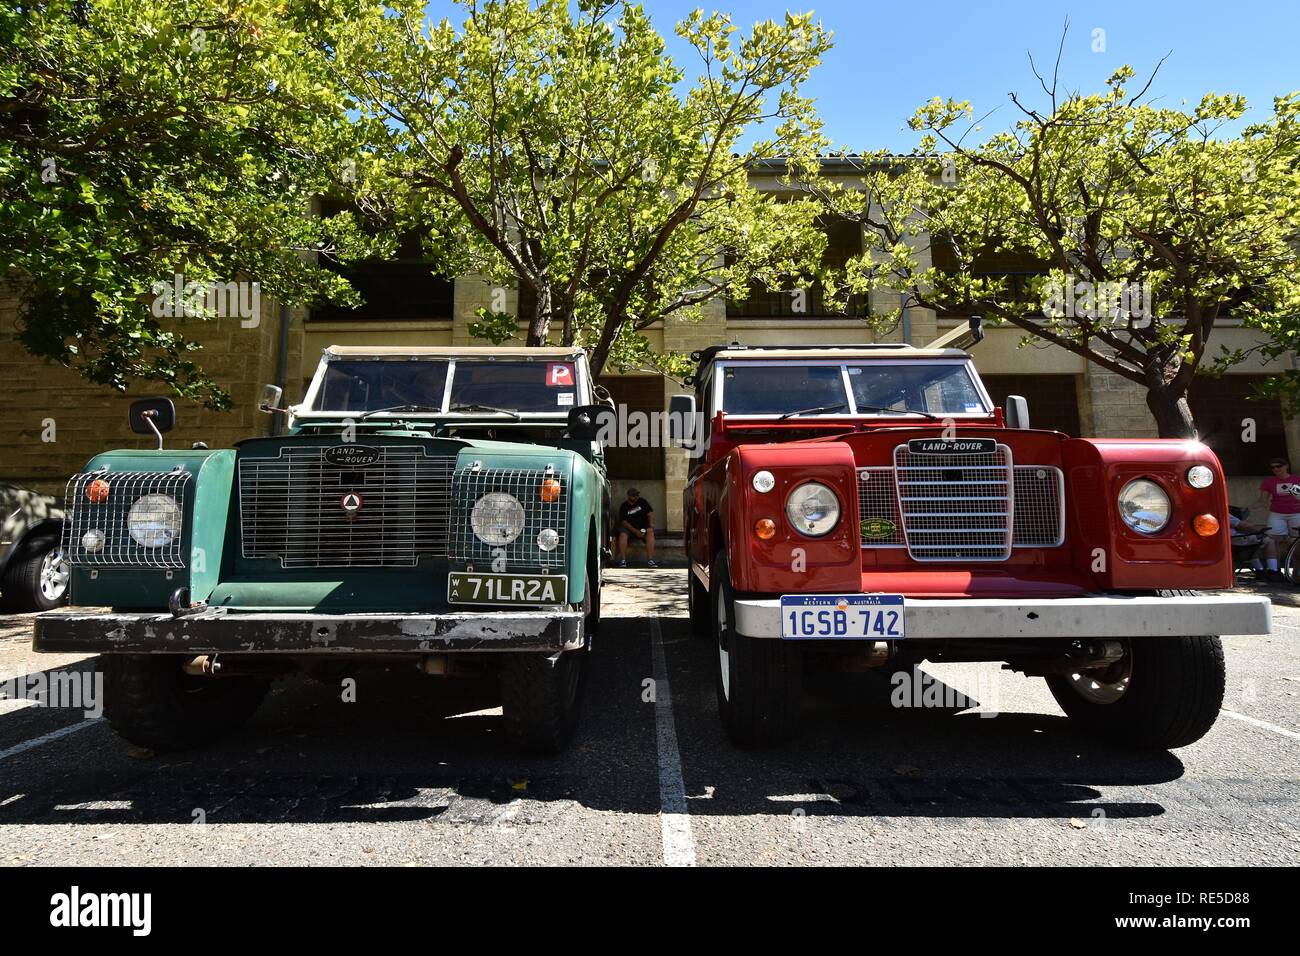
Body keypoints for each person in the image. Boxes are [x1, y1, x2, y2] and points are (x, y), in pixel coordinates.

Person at [1252, 457, 1300, 581]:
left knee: (1296, 541)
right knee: (1271, 539)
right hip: (1277, 514)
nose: (1276, 469)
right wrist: (1252, 508)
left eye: (1278, 466)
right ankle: (1274, 571)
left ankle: (1297, 571)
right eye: (1273, 467)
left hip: (1296, 513)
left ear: (1286, 466)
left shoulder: (1297, 479)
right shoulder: (1268, 482)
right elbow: (1263, 500)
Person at [616, 488, 656, 568]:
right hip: (629, 529)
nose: (636, 497)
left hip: (642, 528)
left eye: (637, 495)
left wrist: (650, 524)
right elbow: (623, 521)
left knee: (650, 532)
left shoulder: (642, 502)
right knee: (622, 535)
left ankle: (650, 560)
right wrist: (635, 531)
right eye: (634, 495)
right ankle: (623, 560)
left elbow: (650, 513)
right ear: (629, 496)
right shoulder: (624, 506)